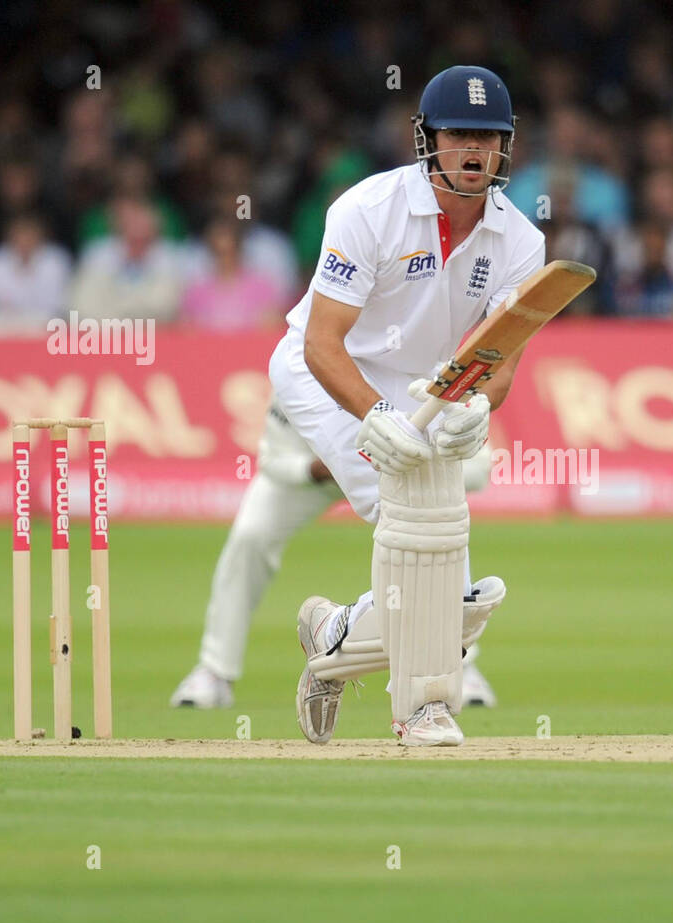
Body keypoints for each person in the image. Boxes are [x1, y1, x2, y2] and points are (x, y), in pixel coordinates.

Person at [266, 66, 544, 747]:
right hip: (330, 375)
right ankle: (423, 710)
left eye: (490, 136)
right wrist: (374, 415)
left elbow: (500, 359)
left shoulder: (522, 241)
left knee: (456, 595)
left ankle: (336, 637)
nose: (475, 150)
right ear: (427, 139)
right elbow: (323, 344)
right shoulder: (367, 211)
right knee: (418, 528)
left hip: (429, 385)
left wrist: (477, 406)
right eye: (459, 135)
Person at [170, 409, 500, 710]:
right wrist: (313, 469)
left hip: (394, 474)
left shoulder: (412, 373)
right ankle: (214, 673)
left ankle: (460, 666)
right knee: (249, 537)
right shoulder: (306, 365)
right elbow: (272, 459)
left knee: (435, 528)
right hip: (315, 478)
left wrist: (416, 463)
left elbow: (477, 472)